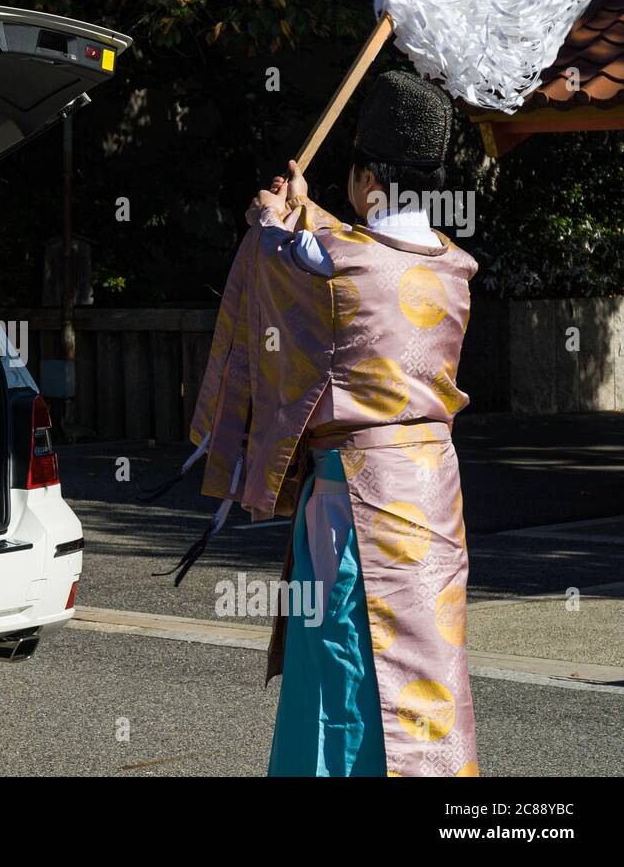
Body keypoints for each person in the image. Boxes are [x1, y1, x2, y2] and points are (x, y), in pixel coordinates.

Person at [181, 71, 479, 777]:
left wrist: (267, 218)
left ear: (368, 178)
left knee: (342, 665)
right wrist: (304, 216)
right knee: (426, 671)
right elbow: (351, 252)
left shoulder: (325, 262)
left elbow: (282, 265)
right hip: (433, 493)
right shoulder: (453, 266)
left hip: (357, 501)